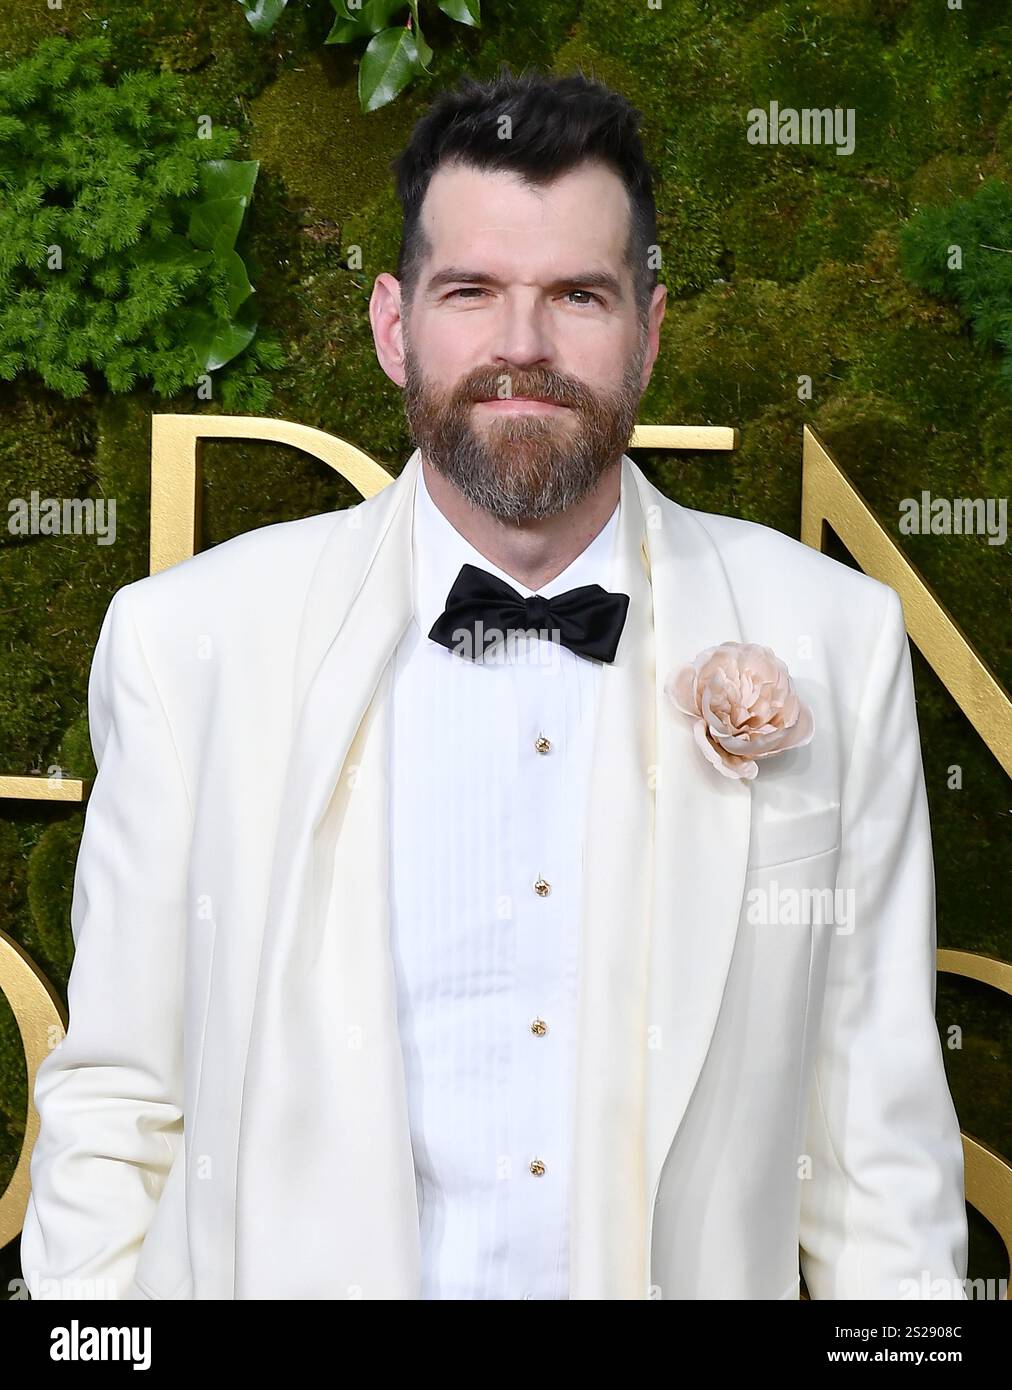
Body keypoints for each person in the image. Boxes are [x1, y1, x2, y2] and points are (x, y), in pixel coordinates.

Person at [20, 67, 968, 1301]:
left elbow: (874, 1141)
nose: (521, 347)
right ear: (392, 324)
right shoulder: (185, 642)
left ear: (650, 330)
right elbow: (120, 1098)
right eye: (472, 291)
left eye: (578, 294)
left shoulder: (833, 639)